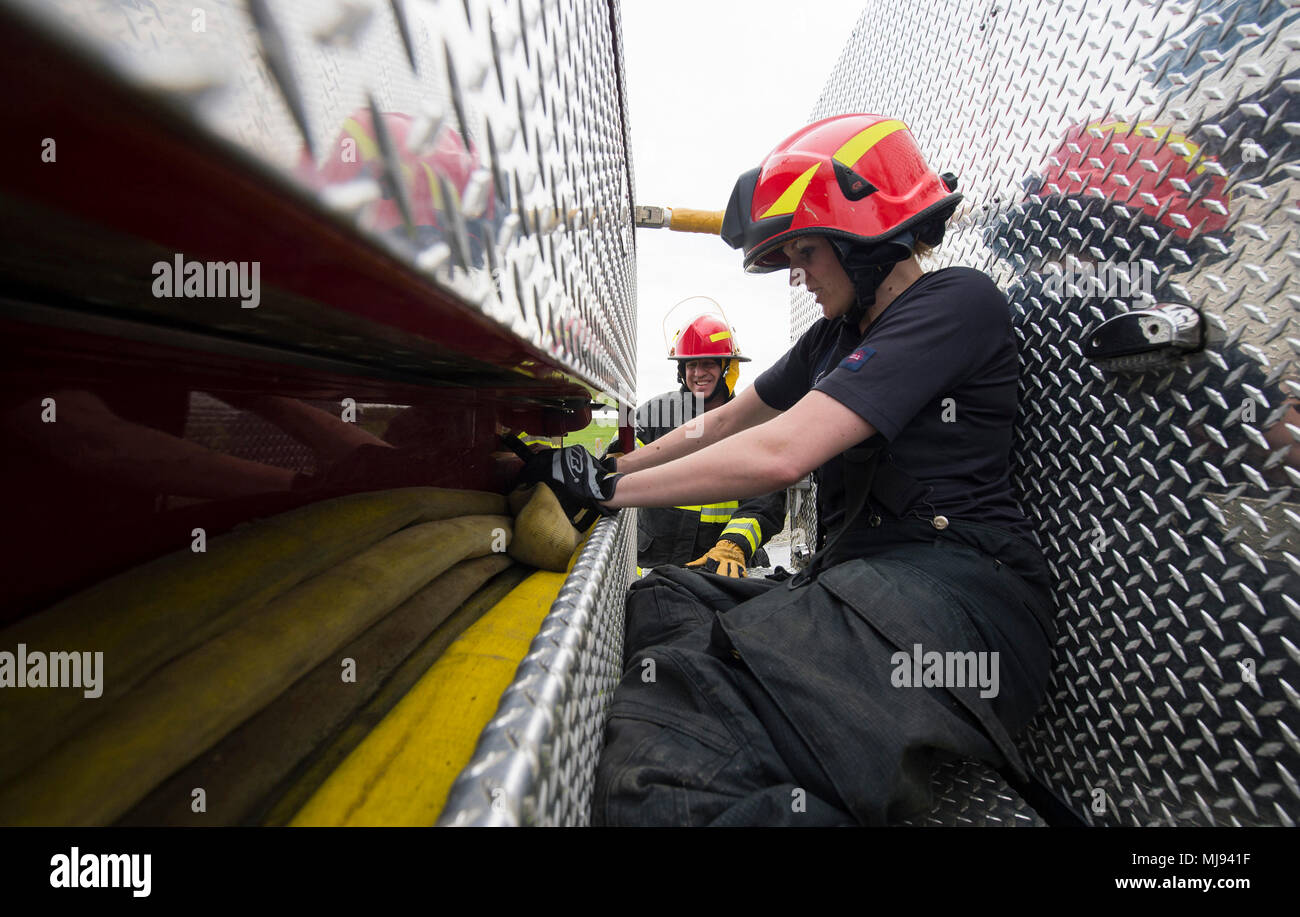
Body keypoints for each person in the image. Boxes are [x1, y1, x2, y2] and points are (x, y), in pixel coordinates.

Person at [520, 114, 1058, 825]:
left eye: (807, 251)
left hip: (951, 607)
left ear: (864, 237)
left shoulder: (955, 303)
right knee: (665, 599)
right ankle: (747, 704)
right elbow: (726, 422)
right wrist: (607, 463)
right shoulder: (832, 338)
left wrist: (607, 491)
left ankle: (724, 729)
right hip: (858, 590)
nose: (799, 275)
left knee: (662, 771)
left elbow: (782, 453)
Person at [630, 313, 786, 576]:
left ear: (726, 367)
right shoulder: (654, 413)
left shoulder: (751, 421)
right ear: (681, 370)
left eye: (708, 364)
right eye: (690, 365)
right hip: (657, 562)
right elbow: (620, 460)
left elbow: (767, 500)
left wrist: (734, 544)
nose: (698, 373)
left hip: (724, 564)